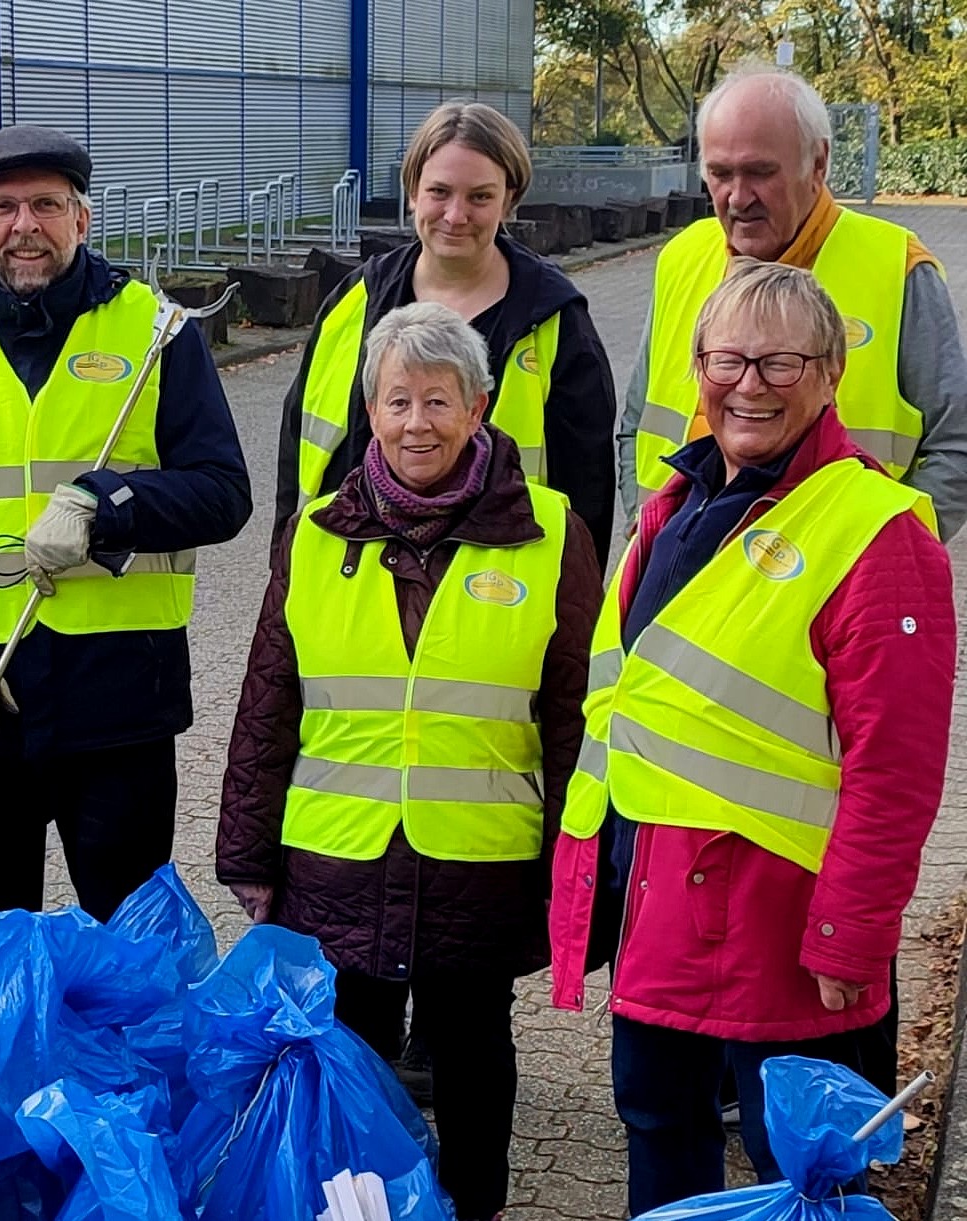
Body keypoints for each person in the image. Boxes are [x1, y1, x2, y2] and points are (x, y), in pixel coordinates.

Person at [549, 261, 954, 1216]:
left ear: (829, 373)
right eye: (727, 358)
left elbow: (894, 771)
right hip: (655, 901)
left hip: (782, 928)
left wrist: (850, 934)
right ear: (695, 367)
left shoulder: (876, 530)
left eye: (781, 361)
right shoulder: (669, 507)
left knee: (800, 1167)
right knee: (653, 1122)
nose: (749, 383)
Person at [219, 302, 601, 1221]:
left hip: (478, 849)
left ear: (480, 407)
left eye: (438, 401)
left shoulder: (552, 534)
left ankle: (473, 1205)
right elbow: (268, 699)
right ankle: (356, 1206)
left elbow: (576, 719)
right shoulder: (315, 534)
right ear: (370, 410)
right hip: (334, 850)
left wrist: (574, 867)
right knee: (346, 1054)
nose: (414, 423)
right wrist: (246, 851)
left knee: (472, 1047)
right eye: (395, 401)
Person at [0, 124, 251, 923]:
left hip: (119, 698)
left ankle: (122, 1055)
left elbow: (223, 490)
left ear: (83, 218)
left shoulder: (152, 331)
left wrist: (109, 506)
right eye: (2, 207)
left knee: (127, 939)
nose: (23, 225)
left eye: (45, 204)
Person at [619, 64, 967, 542]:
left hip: (831, 592)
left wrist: (891, 552)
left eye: (761, 173)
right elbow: (637, 421)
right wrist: (644, 528)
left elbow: (956, 444)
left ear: (818, 164)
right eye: (720, 174)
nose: (738, 198)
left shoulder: (897, 268)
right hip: (683, 566)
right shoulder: (681, 257)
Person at [275, 101, 616, 564]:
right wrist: (287, 571)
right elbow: (299, 454)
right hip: (355, 587)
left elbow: (586, 488)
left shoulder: (556, 321)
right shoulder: (356, 301)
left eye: (479, 197)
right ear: (412, 191)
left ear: (509, 200)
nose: (455, 216)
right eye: (439, 192)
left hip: (498, 593)